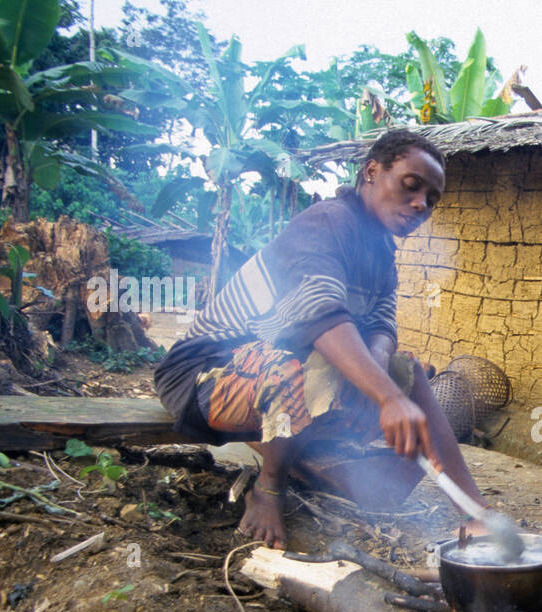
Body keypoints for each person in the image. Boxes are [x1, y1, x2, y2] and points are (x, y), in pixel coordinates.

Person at [154, 129, 488, 549]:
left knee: (407, 369)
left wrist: (389, 378)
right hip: (203, 375)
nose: (421, 203)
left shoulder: (381, 251)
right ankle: (269, 487)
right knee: (299, 361)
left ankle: (475, 514)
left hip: (278, 372)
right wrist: (387, 398)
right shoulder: (328, 221)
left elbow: (383, 327)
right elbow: (319, 317)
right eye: (411, 186)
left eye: (431, 198)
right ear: (371, 172)